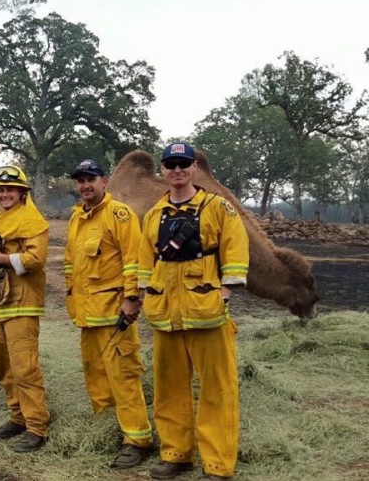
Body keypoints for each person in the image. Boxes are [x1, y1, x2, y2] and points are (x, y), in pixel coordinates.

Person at [138, 143, 249, 481]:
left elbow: (235, 247)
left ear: (194, 168)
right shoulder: (155, 214)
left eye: (183, 164)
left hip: (207, 310)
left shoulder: (219, 208)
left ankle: (216, 465)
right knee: (169, 387)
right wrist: (145, 293)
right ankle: (176, 454)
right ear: (163, 170)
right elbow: (146, 261)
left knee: (217, 389)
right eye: (170, 164)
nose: (177, 170)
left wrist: (225, 290)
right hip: (166, 312)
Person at [63, 159, 153, 469]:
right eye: (80, 180)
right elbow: (70, 264)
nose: (85, 185)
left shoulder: (120, 215)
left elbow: (134, 260)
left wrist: (132, 299)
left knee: (124, 377)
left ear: (105, 182)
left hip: (115, 314)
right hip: (88, 316)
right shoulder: (77, 218)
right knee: (95, 376)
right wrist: (71, 299)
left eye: (91, 179)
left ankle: (137, 440)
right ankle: (107, 429)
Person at [0, 165, 50, 453]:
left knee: (25, 368)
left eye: (11, 189)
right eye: (1, 189)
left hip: (22, 304)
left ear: (23, 193)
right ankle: (17, 417)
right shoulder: (4, 218)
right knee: (5, 367)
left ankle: (36, 427)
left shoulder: (33, 220)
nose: (5, 194)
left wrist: (1, 258)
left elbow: (36, 258)